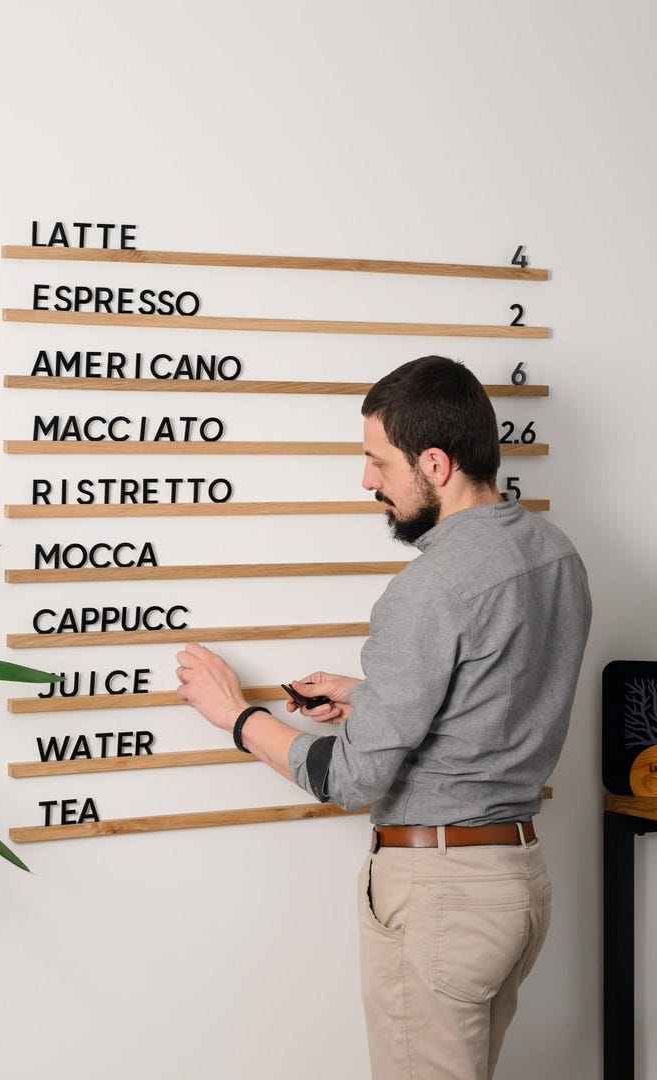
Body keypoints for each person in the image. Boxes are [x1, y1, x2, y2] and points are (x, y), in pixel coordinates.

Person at [175, 355, 591, 1079]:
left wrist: (236, 717)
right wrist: (368, 697)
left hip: (442, 900)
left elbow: (350, 777)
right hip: (517, 885)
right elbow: (493, 695)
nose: (368, 481)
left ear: (435, 463)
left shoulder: (429, 587)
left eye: (377, 462)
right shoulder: (556, 555)